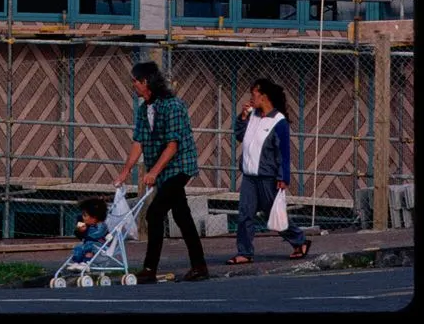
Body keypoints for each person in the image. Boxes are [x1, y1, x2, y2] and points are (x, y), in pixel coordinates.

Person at [113, 60, 209, 284]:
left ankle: (149, 268)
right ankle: (199, 266)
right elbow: (138, 141)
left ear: (145, 81)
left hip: (179, 165)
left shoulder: (172, 106)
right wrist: (125, 171)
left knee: (154, 213)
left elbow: (173, 145)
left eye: (135, 81)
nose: (133, 85)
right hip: (164, 167)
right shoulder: (144, 108)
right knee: (181, 215)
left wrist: (154, 171)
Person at [227, 77, 311, 265]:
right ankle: (244, 252)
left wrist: (283, 177)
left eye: (254, 94)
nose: (251, 98)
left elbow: (283, 152)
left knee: (273, 214)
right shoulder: (253, 116)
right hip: (250, 176)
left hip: (268, 177)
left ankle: (299, 240)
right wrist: (241, 118)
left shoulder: (278, 122)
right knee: (244, 214)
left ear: (264, 96)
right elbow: (240, 135)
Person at [71, 196, 109, 262]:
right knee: (78, 248)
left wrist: (85, 233)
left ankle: (86, 263)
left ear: (94, 217)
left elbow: (96, 236)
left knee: (89, 246)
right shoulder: (88, 224)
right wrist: (80, 231)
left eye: (85, 215)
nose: (83, 217)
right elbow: (80, 236)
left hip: (98, 247)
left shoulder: (102, 226)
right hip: (87, 245)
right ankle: (78, 263)